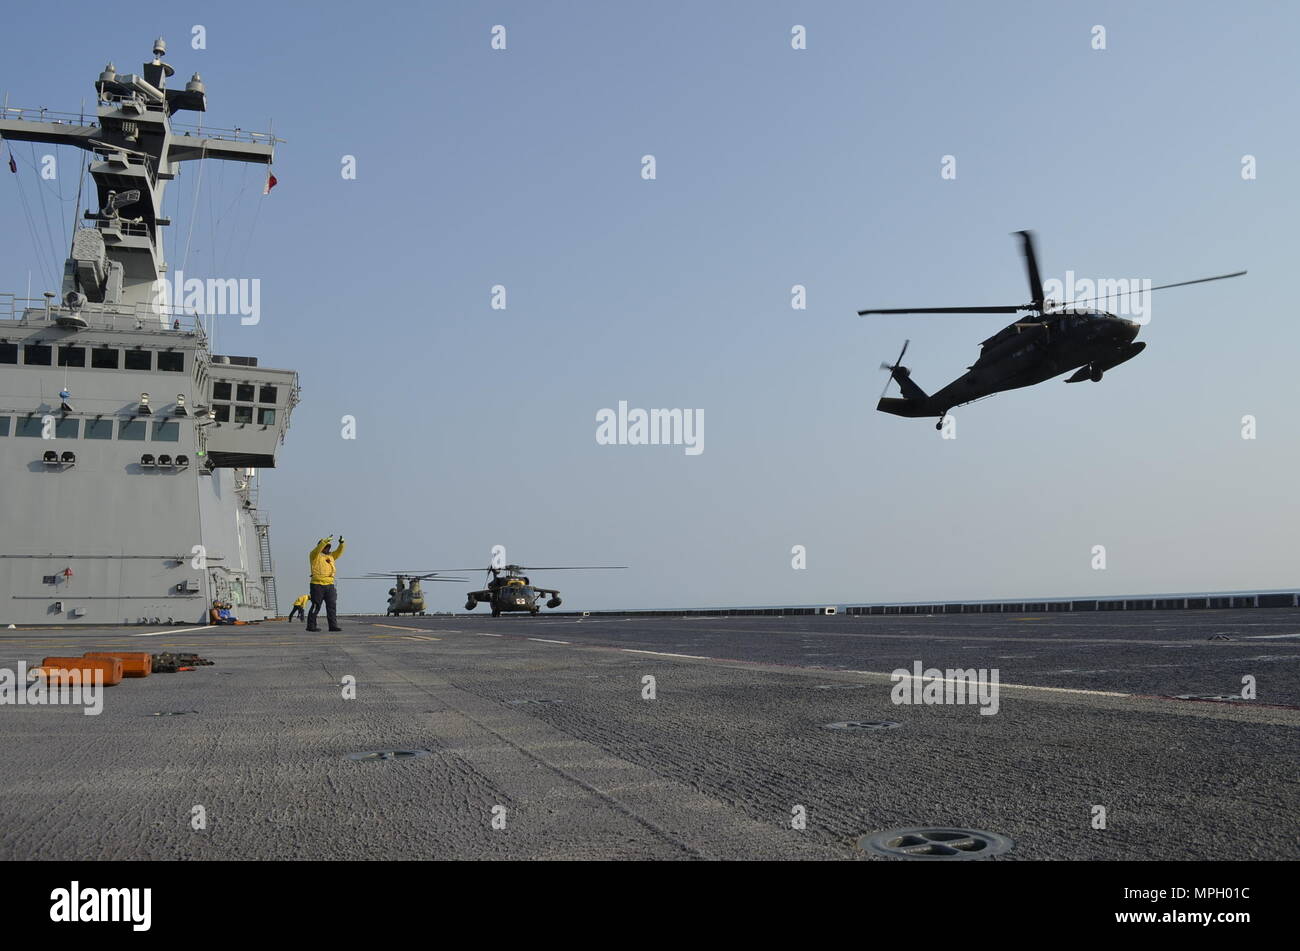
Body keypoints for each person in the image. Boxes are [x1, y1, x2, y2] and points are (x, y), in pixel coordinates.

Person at [306, 535, 345, 632]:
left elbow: (339, 552)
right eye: (326, 547)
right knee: (316, 606)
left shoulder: (331, 556)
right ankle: (311, 626)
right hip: (317, 585)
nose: (328, 548)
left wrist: (341, 544)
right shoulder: (314, 555)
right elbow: (317, 549)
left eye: (329, 547)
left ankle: (333, 626)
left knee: (332, 606)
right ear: (321, 547)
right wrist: (324, 541)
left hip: (330, 585)